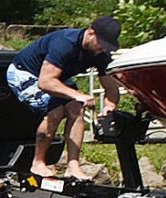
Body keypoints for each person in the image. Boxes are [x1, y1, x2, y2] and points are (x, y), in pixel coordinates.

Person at [6, 16, 122, 181]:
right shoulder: (65, 43)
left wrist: (109, 108)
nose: (102, 49)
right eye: (101, 44)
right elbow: (45, 82)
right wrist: (77, 94)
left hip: (57, 76)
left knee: (77, 109)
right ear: (91, 33)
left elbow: (111, 87)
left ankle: (73, 166)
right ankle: (38, 163)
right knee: (55, 111)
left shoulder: (100, 53)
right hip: (25, 73)